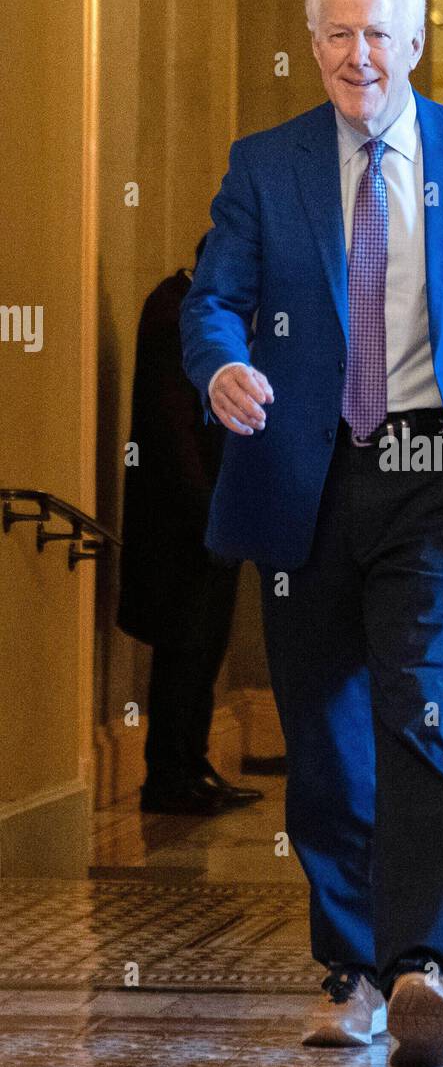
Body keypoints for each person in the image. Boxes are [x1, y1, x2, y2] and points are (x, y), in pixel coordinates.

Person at [180, 0, 443, 1067]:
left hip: (438, 473)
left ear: (416, 43)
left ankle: (422, 965)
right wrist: (220, 368)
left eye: (379, 34)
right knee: (327, 739)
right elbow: (213, 300)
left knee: (420, 715)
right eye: (339, 35)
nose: (360, 56)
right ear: (313, 44)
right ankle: (348, 969)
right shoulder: (266, 164)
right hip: (305, 475)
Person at [117, 235, 263, 815]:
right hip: (182, 519)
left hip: (209, 511)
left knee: (204, 647)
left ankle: (190, 762)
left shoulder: (198, 313)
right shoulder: (174, 310)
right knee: (184, 646)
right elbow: (174, 428)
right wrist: (208, 511)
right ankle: (169, 773)